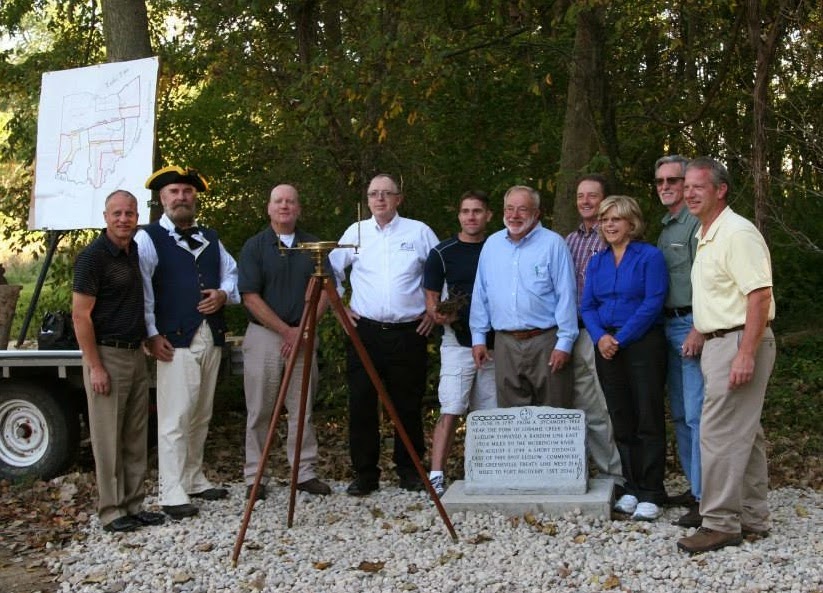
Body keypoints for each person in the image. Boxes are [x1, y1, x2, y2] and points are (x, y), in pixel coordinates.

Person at [676, 157, 776, 553]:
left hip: (739, 342)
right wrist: (701, 325)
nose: (689, 193)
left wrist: (745, 352)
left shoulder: (737, 233)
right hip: (722, 340)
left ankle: (719, 522)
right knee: (745, 434)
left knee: (717, 433)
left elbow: (759, 294)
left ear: (721, 190)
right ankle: (753, 515)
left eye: (698, 186)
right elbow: (724, 293)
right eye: (686, 188)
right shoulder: (708, 234)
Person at [135, 166, 240, 520]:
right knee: (175, 415)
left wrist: (224, 293)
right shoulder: (147, 238)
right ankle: (171, 489)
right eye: (174, 192)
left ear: (195, 197)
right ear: (162, 199)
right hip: (174, 338)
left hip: (211, 334)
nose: (181, 197)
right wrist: (151, 333)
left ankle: (194, 478)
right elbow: (144, 289)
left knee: (201, 413)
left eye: (186, 192)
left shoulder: (210, 236)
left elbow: (231, 270)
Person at [329, 174, 439, 496]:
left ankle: (409, 470)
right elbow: (330, 270)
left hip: (410, 332)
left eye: (386, 194)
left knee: (407, 403)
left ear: (398, 198)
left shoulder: (418, 232)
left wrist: (434, 311)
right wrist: (340, 309)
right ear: (367, 199)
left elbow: (439, 273)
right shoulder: (356, 232)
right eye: (374, 194)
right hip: (366, 331)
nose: (379, 200)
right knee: (362, 403)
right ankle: (365, 474)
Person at [72, 190, 165, 533]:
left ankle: (134, 504)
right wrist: (95, 366)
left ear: (137, 216)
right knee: (108, 438)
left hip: (134, 353)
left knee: (135, 435)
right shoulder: (92, 258)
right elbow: (81, 317)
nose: (124, 219)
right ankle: (111, 511)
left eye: (129, 213)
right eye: (117, 213)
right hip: (106, 355)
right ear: (105, 216)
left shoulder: (133, 251)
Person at [238, 184, 331, 500]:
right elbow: (249, 296)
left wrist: (303, 329)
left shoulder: (313, 245)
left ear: (298, 208)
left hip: (304, 334)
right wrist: (285, 330)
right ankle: (256, 475)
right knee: (261, 407)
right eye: (278, 201)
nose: (285, 206)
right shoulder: (255, 246)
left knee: (301, 407)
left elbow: (326, 292)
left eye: (291, 201)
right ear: (269, 208)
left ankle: (303, 472)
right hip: (265, 336)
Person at [581, 195, 668, 521]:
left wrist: (620, 338)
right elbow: (587, 305)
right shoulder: (597, 261)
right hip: (606, 345)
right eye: (605, 220)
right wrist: (601, 337)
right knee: (622, 417)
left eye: (616, 219)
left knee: (647, 415)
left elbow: (653, 301)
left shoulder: (650, 256)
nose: (609, 225)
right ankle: (631, 487)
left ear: (632, 222)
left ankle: (651, 491)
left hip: (642, 342)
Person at [470, 185, 578, 408]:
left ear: (536, 213)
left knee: (554, 413)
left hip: (546, 341)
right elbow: (481, 294)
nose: (514, 215)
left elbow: (566, 294)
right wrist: (478, 338)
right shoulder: (492, 245)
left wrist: (565, 343)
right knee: (512, 421)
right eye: (509, 209)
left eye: (522, 209)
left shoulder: (553, 244)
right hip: (505, 343)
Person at [423, 190, 496, 497]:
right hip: (457, 343)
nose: (471, 217)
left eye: (477, 211)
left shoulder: (499, 248)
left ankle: (485, 472)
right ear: (459, 216)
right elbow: (431, 301)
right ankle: (437, 474)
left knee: (488, 414)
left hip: (495, 345)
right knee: (451, 407)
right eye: (466, 211)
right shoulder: (442, 253)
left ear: (488, 215)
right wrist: (441, 316)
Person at [653, 155, 705, 526]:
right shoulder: (666, 226)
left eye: (675, 180)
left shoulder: (697, 224)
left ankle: (707, 496)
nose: (667, 187)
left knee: (698, 412)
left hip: (691, 324)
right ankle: (695, 487)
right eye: (660, 181)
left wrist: (699, 327)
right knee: (682, 415)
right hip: (667, 326)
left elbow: (706, 280)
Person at [565, 175, 623, 487]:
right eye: (580, 196)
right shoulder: (568, 240)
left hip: (605, 333)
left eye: (593, 196)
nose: (586, 201)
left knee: (607, 404)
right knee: (586, 406)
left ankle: (620, 474)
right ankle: (602, 470)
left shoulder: (614, 235)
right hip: (574, 331)